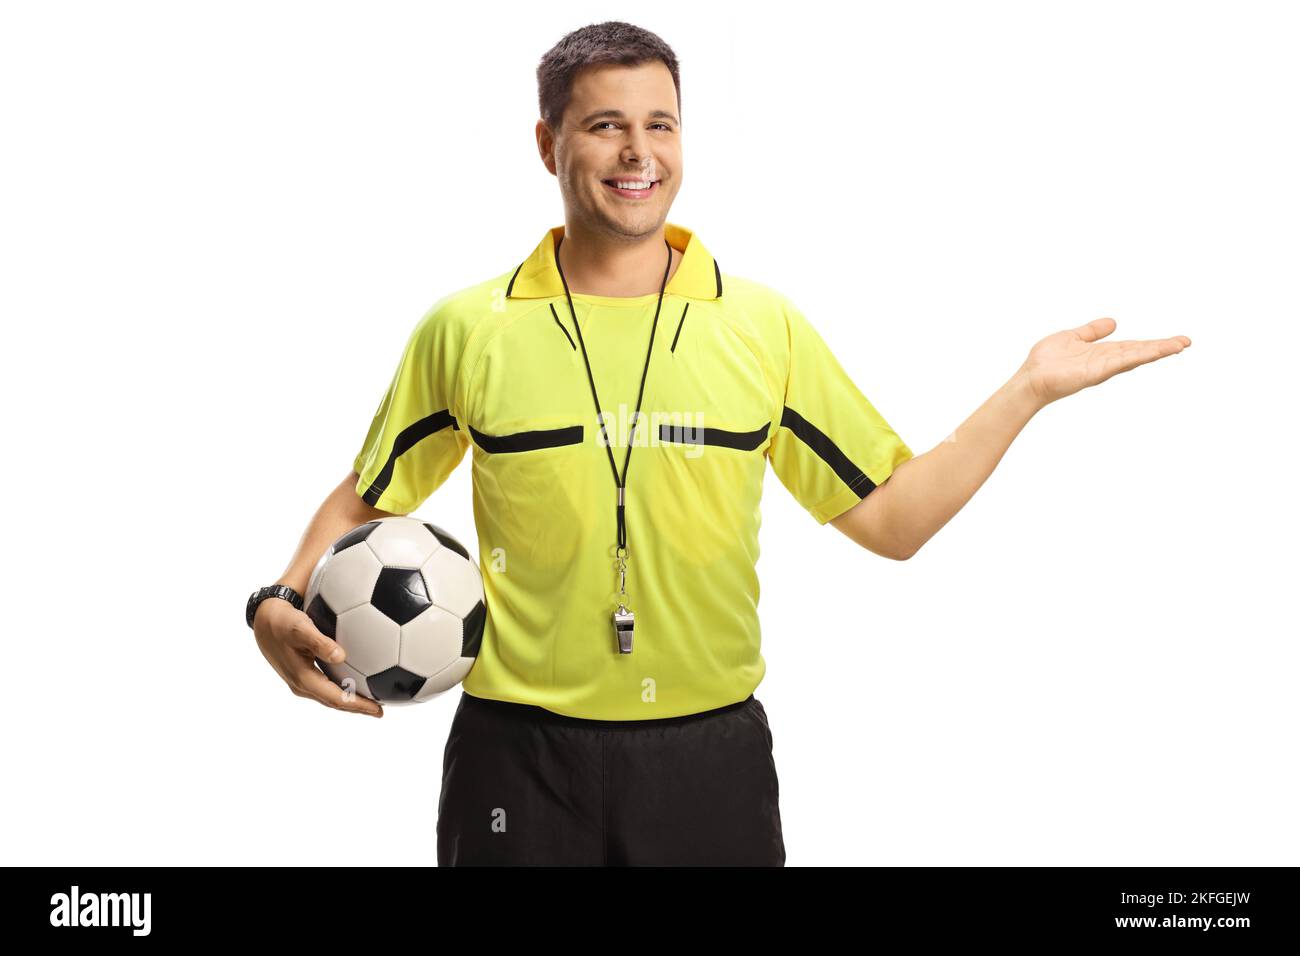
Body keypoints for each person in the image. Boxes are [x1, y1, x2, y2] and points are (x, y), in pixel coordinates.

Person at [246, 21, 1191, 866]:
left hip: (708, 761)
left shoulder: (760, 325)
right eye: (605, 124)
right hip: (516, 756)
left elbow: (895, 521)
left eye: (660, 123)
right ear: (548, 144)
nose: (637, 151)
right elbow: (367, 496)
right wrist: (279, 598)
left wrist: (1025, 390)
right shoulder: (468, 328)